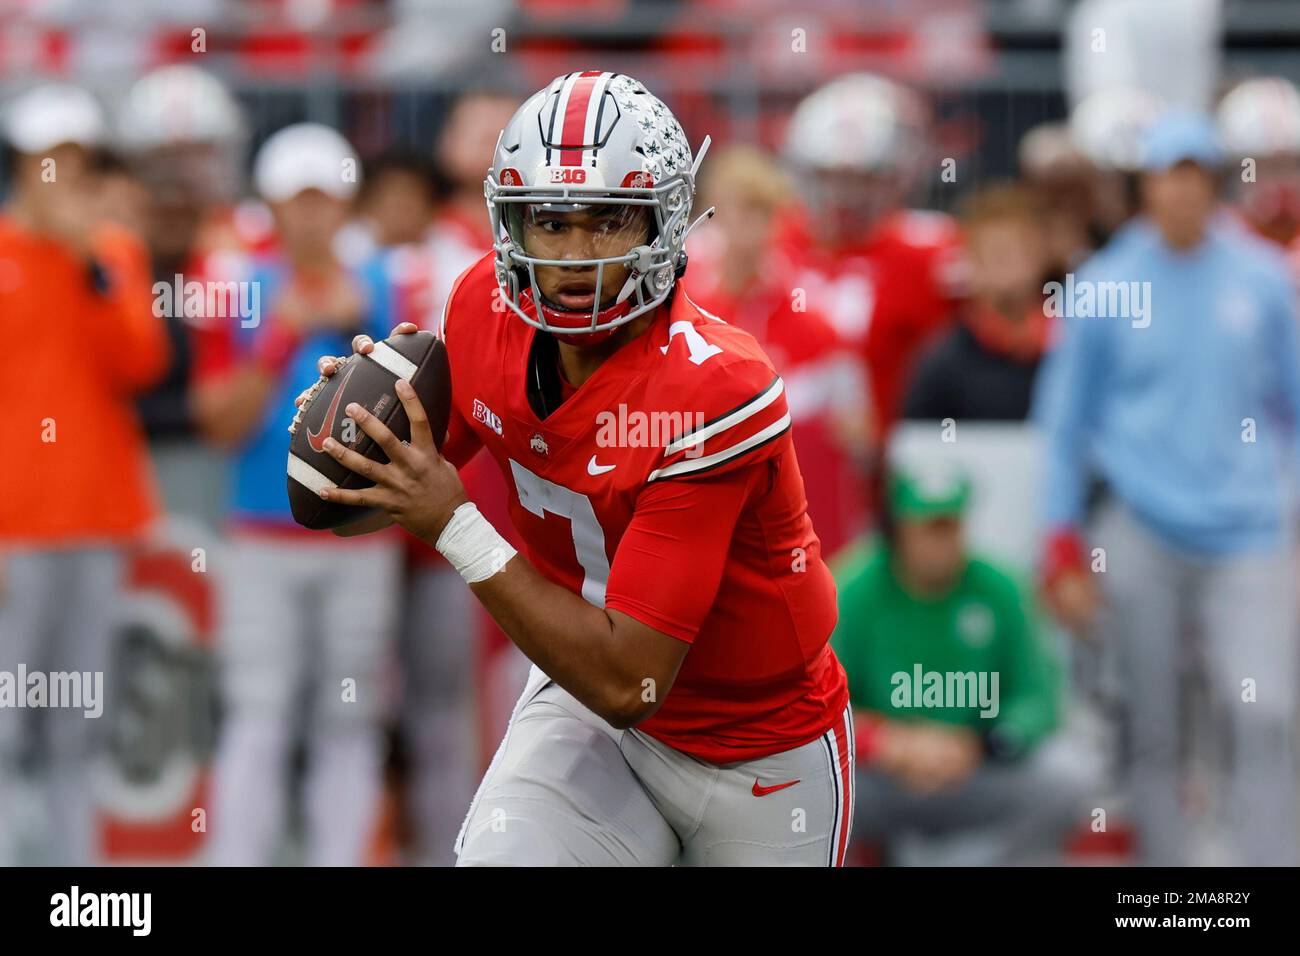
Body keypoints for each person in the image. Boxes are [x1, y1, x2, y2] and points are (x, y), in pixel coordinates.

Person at [308, 71, 853, 866]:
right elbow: (394, 485)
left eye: (607, 223)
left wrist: (456, 525)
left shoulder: (713, 389)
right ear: (508, 226)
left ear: (666, 224)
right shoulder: (478, 309)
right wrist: (354, 443)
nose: (573, 256)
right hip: (588, 718)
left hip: (757, 747)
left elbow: (629, 679)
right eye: (549, 223)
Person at [1034, 110, 1300, 866]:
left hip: (1248, 528)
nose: (1180, 191)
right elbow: (1065, 423)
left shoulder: (1260, 278)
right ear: (1146, 185)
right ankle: (1170, 887)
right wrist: (1059, 540)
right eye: (1165, 174)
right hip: (1141, 526)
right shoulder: (1105, 285)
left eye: (1194, 174)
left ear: (1213, 182)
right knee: (1152, 725)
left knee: (1264, 712)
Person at [192, 123, 403, 866]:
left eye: (324, 200)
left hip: (356, 533)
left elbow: (412, 414)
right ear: (275, 206)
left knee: (347, 718)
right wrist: (281, 337)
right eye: (298, 201)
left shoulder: (382, 282)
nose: (311, 217)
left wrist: (355, 328)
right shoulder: (240, 289)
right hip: (262, 532)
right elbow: (219, 421)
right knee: (260, 712)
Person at [0, 83, 169, 864]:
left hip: (96, 518)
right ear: (26, 167)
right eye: (52, 162)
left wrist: (89, 268)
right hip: (14, 529)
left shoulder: (113, 254)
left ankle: (73, 878)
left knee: (81, 721)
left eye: (77, 163)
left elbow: (140, 362)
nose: (65, 179)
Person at [832, 465, 1087, 864]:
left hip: (972, 770)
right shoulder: (852, 587)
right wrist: (885, 743)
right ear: (899, 531)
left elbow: (1039, 698)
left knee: (1067, 778)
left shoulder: (1002, 587)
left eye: (952, 527)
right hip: (881, 774)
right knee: (812, 789)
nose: (944, 542)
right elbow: (822, 706)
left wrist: (984, 745)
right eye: (930, 528)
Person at [687, 144, 872, 560]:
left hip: (795, 520)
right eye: (733, 211)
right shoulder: (681, 303)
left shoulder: (816, 318)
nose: (746, 227)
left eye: (760, 212)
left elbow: (858, 432)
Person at [777, 72, 966, 435]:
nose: (846, 195)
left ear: (896, 176)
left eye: (863, 178)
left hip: (897, 454)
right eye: (831, 177)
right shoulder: (767, 244)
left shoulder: (931, 250)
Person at [903, 184, 1052, 423]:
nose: (1009, 267)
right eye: (997, 255)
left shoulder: (1070, 347)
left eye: (1021, 252)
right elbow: (919, 447)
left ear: (1041, 257)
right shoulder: (943, 363)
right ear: (971, 263)